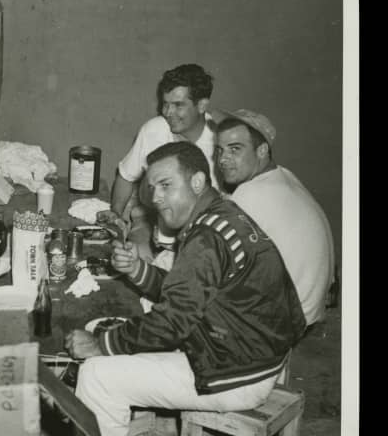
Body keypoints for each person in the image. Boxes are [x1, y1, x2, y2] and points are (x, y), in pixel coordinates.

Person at [65, 142, 306, 436]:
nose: (156, 198)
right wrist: (139, 270)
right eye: (152, 188)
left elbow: (171, 323)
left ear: (197, 182)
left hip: (237, 373)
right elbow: (194, 294)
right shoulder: (222, 214)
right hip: (257, 352)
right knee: (133, 334)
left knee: (96, 376)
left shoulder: (205, 237)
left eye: (166, 185)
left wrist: (100, 343)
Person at [215, 109, 335, 326]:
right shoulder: (285, 176)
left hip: (286, 326)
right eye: (220, 150)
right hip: (311, 313)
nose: (223, 159)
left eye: (235, 149)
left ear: (262, 151)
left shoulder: (250, 193)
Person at [97, 64, 223, 263]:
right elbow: (126, 176)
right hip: (149, 220)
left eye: (178, 105)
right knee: (134, 259)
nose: (168, 112)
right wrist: (116, 216)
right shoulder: (154, 129)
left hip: (198, 233)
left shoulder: (220, 143)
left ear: (202, 105)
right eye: (165, 103)